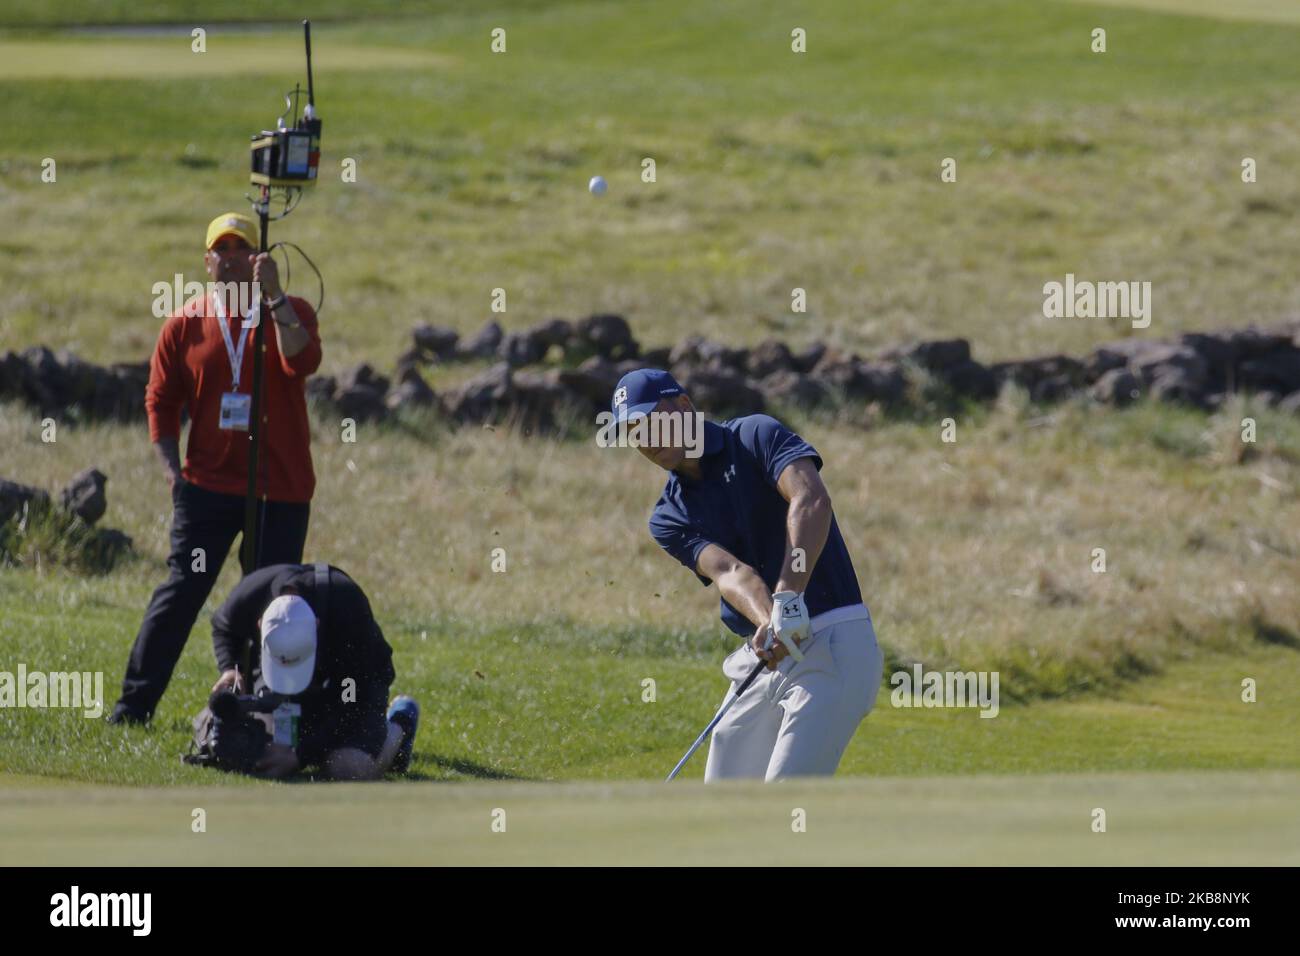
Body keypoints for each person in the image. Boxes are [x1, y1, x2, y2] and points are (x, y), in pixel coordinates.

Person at [612, 368, 883, 781]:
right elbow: (730, 572)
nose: (643, 439)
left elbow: (811, 499)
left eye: (649, 422)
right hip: (766, 655)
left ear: (684, 406)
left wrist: (790, 597)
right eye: (632, 430)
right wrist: (769, 619)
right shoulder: (668, 517)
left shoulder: (755, 435)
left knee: (782, 803)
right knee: (723, 807)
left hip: (836, 640)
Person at [109, 212, 322, 724]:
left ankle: (265, 715)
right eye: (220, 250)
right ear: (207, 262)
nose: (230, 259)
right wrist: (170, 472)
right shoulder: (184, 324)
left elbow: (303, 360)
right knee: (182, 592)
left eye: (241, 249)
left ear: (258, 258)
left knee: (273, 605)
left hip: (280, 489)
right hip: (205, 489)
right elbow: (159, 400)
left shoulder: (291, 311)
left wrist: (272, 297)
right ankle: (132, 708)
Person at [209, 562, 419, 780]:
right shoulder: (250, 594)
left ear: (317, 626)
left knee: (348, 768)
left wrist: (300, 756)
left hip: (354, 686)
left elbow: (350, 705)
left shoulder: (348, 608)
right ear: (261, 624)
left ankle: (399, 726)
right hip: (318, 682)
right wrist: (230, 669)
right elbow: (223, 626)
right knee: (257, 748)